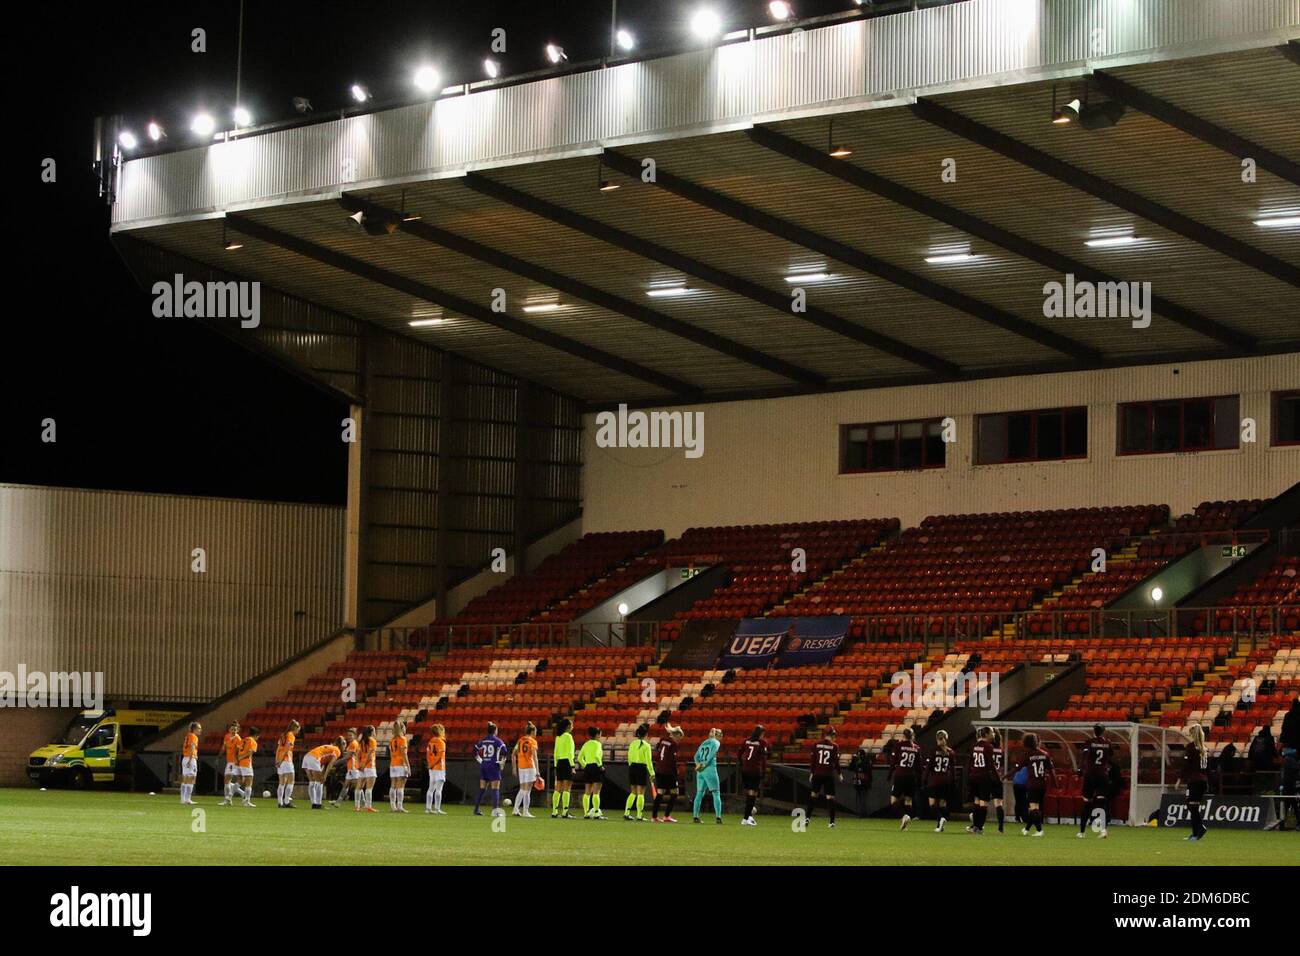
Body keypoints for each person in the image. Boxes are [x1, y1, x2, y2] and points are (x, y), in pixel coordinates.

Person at [1078, 723, 1112, 839]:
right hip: (1103, 775)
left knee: (1087, 802)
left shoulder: (1089, 742)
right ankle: (1103, 830)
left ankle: (1082, 832)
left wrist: (1080, 769)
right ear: (1103, 731)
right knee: (1101, 803)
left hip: (1090, 775)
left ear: (1094, 731)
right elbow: (1111, 755)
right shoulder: (1108, 743)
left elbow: (1085, 756)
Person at [1178, 723, 1210, 842]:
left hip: (1194, 781)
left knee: (1192, 807)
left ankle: (1200, 829)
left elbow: (1186, 765)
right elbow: (1208, 768)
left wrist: (1180, 779)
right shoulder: (1204, 748)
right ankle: (1195, 833)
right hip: (1202, 781)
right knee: (1193, 806)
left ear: (1193, 734)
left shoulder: (1191, 747)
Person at [1017, 732, 1053, 837]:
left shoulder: (1028, 755)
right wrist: (1055, 784)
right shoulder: (1045, 754)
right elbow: (1051, 770)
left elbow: (1017, 768)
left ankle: (1039, 830)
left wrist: (1005, 776)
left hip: (1033, 784)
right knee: (1036, 808)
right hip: (1042, 785)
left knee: (1033, 808)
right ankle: (1027, 829)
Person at [806, 726, 841, 828]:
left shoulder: (816, 745)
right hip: (828, 774)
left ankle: (807, 819)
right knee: (830, 798)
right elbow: (836, 762)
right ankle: (831, 822)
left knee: (813, 796)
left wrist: (812, 773)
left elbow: (813, 761)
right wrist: (840, 774)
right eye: (834, 735)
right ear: (832, 735)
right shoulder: (834, 746)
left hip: (817, 773)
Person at [966, 726, 999, 835]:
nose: (993, 735)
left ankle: (975, 826)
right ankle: (979, 827)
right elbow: (991, 765)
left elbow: (970, 763)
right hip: (984, 777)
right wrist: (997, 777)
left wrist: (969, 776)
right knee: (983, 803)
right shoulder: (988, 747)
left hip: (974, 777)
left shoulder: (974, 746)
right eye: (992, 733)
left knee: (976, 801)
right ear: (986, 734)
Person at [888, 726, 921, 830]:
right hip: (911, 777)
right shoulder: (916, 748)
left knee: (893, 800)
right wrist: (919, 780)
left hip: (900, 775)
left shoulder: (898, 745)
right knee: (908, 801)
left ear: (903, 735)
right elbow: (918, 766)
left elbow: (893, 762)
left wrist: (889, 774)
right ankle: (906, 821)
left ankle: (904, 816)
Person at [473, 722, 508, 816]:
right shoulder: (497, 740)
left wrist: (480, 760)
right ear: (495, 731)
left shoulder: (484, 740)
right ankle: (495, 811)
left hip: (484, 765)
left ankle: (476, 809)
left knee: (482, 788)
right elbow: (505, 751)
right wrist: (502, 761)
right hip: (493, 766)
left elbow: (475, 749)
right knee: (495, 788)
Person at [738, 725, 771, 826]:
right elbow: (764, 760)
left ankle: (749, 815)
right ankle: (746, 818)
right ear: (761, 734)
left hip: (745, 770)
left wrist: (742, 764)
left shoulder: (746, 741)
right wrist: (764, 772)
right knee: (753, 793)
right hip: (755, 770)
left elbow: (739, 754)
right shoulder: (762, 742)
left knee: (750, 792)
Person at [650, 723, 684, 823]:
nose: (679, 740)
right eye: (679, 738)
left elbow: (657, 751)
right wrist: (675, 773)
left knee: (660, 792)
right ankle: (666, 816)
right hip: (668, 771)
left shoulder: (662, 740)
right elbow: (672, 760)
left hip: (659, 769)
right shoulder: (673, 744)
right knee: (675, 792)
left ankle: (654, 817)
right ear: (676, 735)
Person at [924, 729, 956, 833]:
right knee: (943, 804)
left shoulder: (933, 751)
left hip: (935, 780)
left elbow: (928, 767)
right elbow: (953, 769)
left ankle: (940, 819)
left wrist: (924, 780)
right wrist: (952, 782)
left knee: (932, 804)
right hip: (945, 781)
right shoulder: (951, 752)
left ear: (937, 739)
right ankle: (940, 826)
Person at [302, 738, 346, 809]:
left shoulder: (329, 747)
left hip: (307, 757)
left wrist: (322, 773)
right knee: (320, 782)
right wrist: (325, 776)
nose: (345, 746)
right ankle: (318, 804)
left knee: (312, 782)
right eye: (344, 743)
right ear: (340, 745)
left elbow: (323, 762)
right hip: (314, 758)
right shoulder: (337, 750)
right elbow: (330, 764)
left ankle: (314, 804)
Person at [624, 723, 655, 821]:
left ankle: (627, 812)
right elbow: (648, 761)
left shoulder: (632, 744)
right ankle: (639, 815)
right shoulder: (646, 745)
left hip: (632, 767)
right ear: (646, 734)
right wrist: (652, 773)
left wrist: (631, 766)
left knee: (633, 792)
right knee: (641, 793)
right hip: (641, 768)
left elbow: (629, 757)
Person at [693, 727, 724, 824]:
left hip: (700, 771)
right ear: (718, 735)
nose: (721, 737)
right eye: (721, 735)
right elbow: (711, 754)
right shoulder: (716, 742)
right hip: (709, 769)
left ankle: (695, 817)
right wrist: (705, 764)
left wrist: (698, 764)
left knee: (699, 793)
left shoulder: (703, 743)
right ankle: (718, 817)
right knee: (716, 793)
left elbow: (695, 756)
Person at [577, 726, 606, 820]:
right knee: (596, 792)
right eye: (600, 734)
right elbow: (597, 756)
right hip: (596, 767)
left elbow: (579, 758)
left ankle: (586, 813)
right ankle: (597, 813)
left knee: (587, 792)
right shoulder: (597, 744)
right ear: (597, 734)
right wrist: (600, 765)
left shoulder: (586, 744)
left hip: (588, 767)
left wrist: (586, 766)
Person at [512, 722, 540, 818]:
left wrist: (514, 767)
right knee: (527, 790)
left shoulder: (520, 740)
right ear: (532, 731)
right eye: (535, 731)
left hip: (521, 767)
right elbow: (535, 757)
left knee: (522, 789)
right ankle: (525, 811)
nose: (536, 734)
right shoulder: (532, 741)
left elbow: (513, 753)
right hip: (529, 766)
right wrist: (537, 771)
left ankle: (515, 809)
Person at [552, 718, 577, 819]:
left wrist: (555, 765)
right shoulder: (568, 737)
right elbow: (570, 753)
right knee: (567, 788)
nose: (572, 727)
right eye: (571, 725)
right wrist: (572, 766)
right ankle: (565, 811)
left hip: (559, 763)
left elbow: (555, 752)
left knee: (558, 787)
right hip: (567, 762)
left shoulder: (558, 737)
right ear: (568, 727)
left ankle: (554, 811)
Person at [331, 728, 360, 808]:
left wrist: (335, 763)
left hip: (354, 768)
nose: (349, 737)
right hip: (350, 768)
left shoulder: (353, 743)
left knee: (357, 786)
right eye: (348, 735)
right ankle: (338, 802)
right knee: (346, 785)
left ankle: (363, 803)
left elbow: (348, 757)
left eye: (351, 735)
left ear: (355, 736)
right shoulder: (351, 744)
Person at [275, 720, 300, 809]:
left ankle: (280, 802)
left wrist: (277, 760)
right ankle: (286, 801)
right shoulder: (291, 735)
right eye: (298, 729)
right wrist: (281, 760)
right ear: (295, 728)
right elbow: (287, 748)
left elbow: (278, 748)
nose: (298, 731)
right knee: (291, 781)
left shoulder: (283, 735)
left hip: (280, 760)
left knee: (282, 782)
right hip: (286, 760)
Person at [425, 724, 448, 815]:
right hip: (439, 767)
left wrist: (430, 764)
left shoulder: (430, 742)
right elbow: (440, 756)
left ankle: (428, 808)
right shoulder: (441, 742)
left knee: (431, 788)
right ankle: (437, 809)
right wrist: (434, 764)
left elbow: (427, 755)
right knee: (439, 789)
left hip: (432, 768)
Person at [388, 719, 410, 813]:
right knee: (401, 786)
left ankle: (393, 806)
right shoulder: (403, 739)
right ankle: (399, 806)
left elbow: (391, 753)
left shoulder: (392, 740)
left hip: (393, 764)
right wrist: (408, 766)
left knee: (393, 785)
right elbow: (404, 754)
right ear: (402, 729)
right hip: (401, 764)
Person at [234, 727, 260, 807]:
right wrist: (241, 758)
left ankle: (232, 793)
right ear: (256, 735)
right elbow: (249, 753)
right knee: (249, 783)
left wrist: (237, 759)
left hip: (240, 763)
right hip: (246, 763)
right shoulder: (253, 742)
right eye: (258, 736)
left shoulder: (243, 740)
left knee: (241, 781)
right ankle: (247, 801)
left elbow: (237, 750)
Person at [356, 726, 379, 812]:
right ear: (372, 732)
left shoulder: (361, 741)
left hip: (361, 766)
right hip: (369, 766)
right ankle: (368, 806)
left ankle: (357, 806)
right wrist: (365, 764)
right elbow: (370, 755)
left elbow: (358, 754)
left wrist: (359, 764)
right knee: (369, 788)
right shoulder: (372, 741)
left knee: (359, 787)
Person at [218, 721, 242, 806]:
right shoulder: (226, 736)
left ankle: (228, 798)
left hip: (233, 762)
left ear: (237, 730)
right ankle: (229, 799)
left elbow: (238, 752)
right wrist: (219, 756)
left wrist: (237, 762)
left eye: (235, 729)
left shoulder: (238, 739)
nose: (233, 731)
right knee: (227, 781)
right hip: (229, 762)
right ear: (229, 730)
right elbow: (224, 747)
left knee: (227, 781)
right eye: (232, 729)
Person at [848, 740, 873, 818]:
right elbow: (850, 768)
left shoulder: (866, 762)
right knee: (860, 798)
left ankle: (862, 813)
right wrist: (853, 760)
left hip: (864, 782)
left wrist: (857, 761)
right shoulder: (858, 761)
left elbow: (868, 771)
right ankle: (861, 812)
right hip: (858, 781)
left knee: (862, 798)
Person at [178, 721, 201, 806]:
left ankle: (183, 799)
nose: (200, 730)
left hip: (185, 758)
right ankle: (187, 799)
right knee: (191, 778)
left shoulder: (188, 735)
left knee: (185, 778)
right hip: (190, 758)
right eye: (199, 728)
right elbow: (192, 747)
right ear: (194, 729)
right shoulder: (194, 736)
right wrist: (191, 759)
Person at [989, 728, 1006, 832]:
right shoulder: (1001, 750)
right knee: (998, 804)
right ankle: (1000, 826)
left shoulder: (987, 748)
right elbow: (1003, 765)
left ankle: (977, 825)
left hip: (988, 777)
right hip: (998, 778)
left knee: (980, 802)